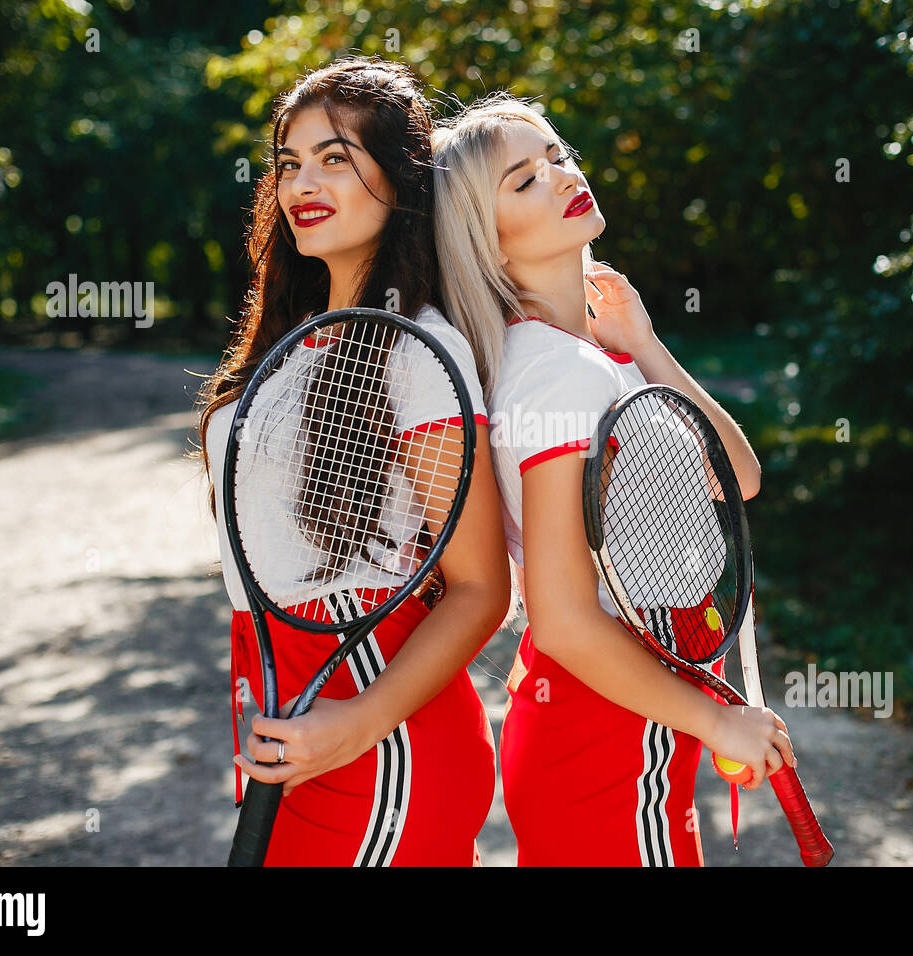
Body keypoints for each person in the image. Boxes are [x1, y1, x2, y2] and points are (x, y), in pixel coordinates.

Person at [432, 94, 796, 866]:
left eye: (557, 156)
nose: (561, 176)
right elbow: (560, 616)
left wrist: (645, 343)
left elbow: (739, 477)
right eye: (523, 180)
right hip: (596, 730)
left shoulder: (594, 356)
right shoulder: (551, 377)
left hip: (636, 714)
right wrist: (719, 723)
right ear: (488, 245)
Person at [195, 58, 509, 866]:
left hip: (380, 743)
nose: (305, 181)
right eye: (290, 163)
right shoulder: (293, 335)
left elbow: (480, 589)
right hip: (281, 704)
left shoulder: (420, 348)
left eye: (336, 157)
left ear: (400, 180)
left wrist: (355, 723)